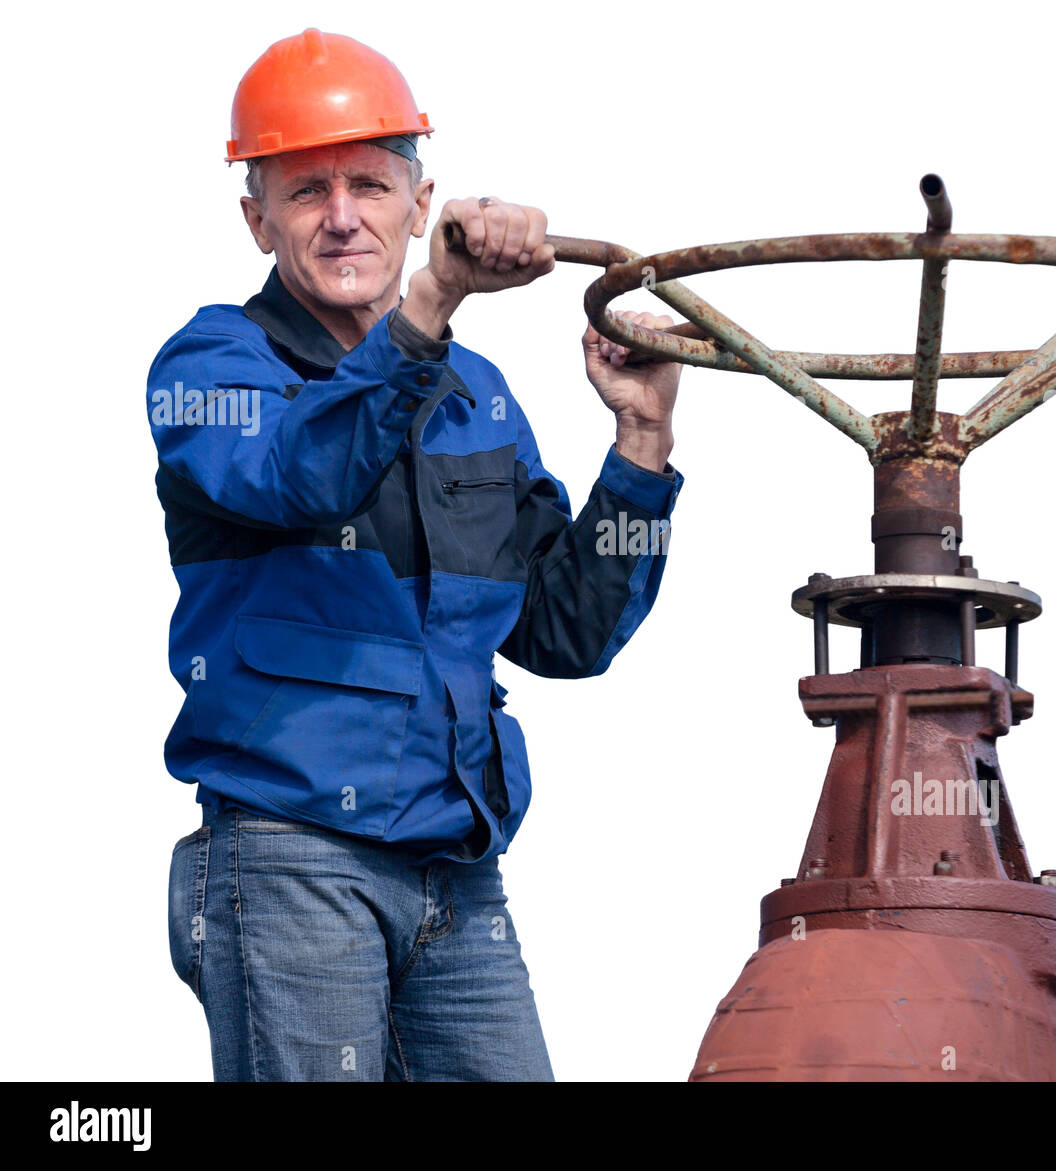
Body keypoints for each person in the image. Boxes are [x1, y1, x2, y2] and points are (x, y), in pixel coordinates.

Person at [150, 28, 684, 1082]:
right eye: (306, 191)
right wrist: (431, 304)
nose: (343, 217)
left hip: (457, 872)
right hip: (291, 855)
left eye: (369, 184)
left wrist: (640, 446)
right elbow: (303, 474)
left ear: (417, 197)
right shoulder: (209, 368)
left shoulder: (474, 394)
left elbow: (564, 631)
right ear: (255, 217)